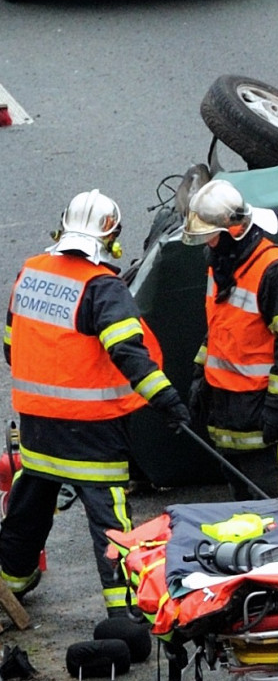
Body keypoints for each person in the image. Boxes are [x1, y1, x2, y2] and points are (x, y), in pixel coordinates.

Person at [1, 192, 190, 620]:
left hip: (36, 425)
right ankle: (125, 612)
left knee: (32, 499)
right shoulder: (102, 287)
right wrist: (166, 399)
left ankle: (11, 579)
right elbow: (128, 353)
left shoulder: (30, 273)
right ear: (113, 236)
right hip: (91, 431)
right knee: (109, 519)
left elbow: (13, 346)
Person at [181, 178, 278, 499]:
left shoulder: (274, 270)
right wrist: (200, 377)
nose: (207, 244)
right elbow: (220, 328)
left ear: (232, 232)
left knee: (277, 514)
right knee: (242, 518)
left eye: (211, 237)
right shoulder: (222, 266)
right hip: (227, 414)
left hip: (261, 414)